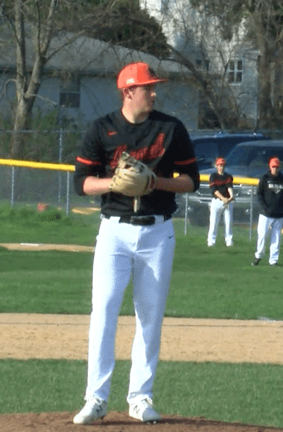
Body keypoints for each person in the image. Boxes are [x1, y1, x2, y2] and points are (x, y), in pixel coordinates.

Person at [72, 61, 200, 425]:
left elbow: (192, 180)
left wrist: (155, 182)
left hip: (158, 232)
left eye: (153, 87)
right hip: (114, 230)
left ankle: (140, 397)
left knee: (150, 317)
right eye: (148, 87)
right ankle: (96, 398)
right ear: (129, 91)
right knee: (104, 313)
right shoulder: (102, 129)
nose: (154, 93)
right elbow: (82, 182)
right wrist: (114, 183)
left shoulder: (170, 128)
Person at [252, 156, 283, 266]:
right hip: (265, 214)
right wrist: (264, 207)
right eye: (273, 167)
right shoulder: (264, 178)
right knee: (262, 235)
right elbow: (259, 194)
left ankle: (273, 260)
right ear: (270, 166)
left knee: (276, 238)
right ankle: (258, 256)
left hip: (279, 214)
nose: (275, 169)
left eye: (277, 167)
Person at [206, 157, 234, 247]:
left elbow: (229, 186)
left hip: (227, 202)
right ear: (216, 166)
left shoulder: (228, 176)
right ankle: (211, 242)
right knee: (214, 222)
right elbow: (214, 190)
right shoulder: (213, 176)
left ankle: (229, 241)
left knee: (228, 222)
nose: (221, 167)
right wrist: (223, 198)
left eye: (223, 165)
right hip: (217, 201)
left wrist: (231, 196)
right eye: (220, 165)